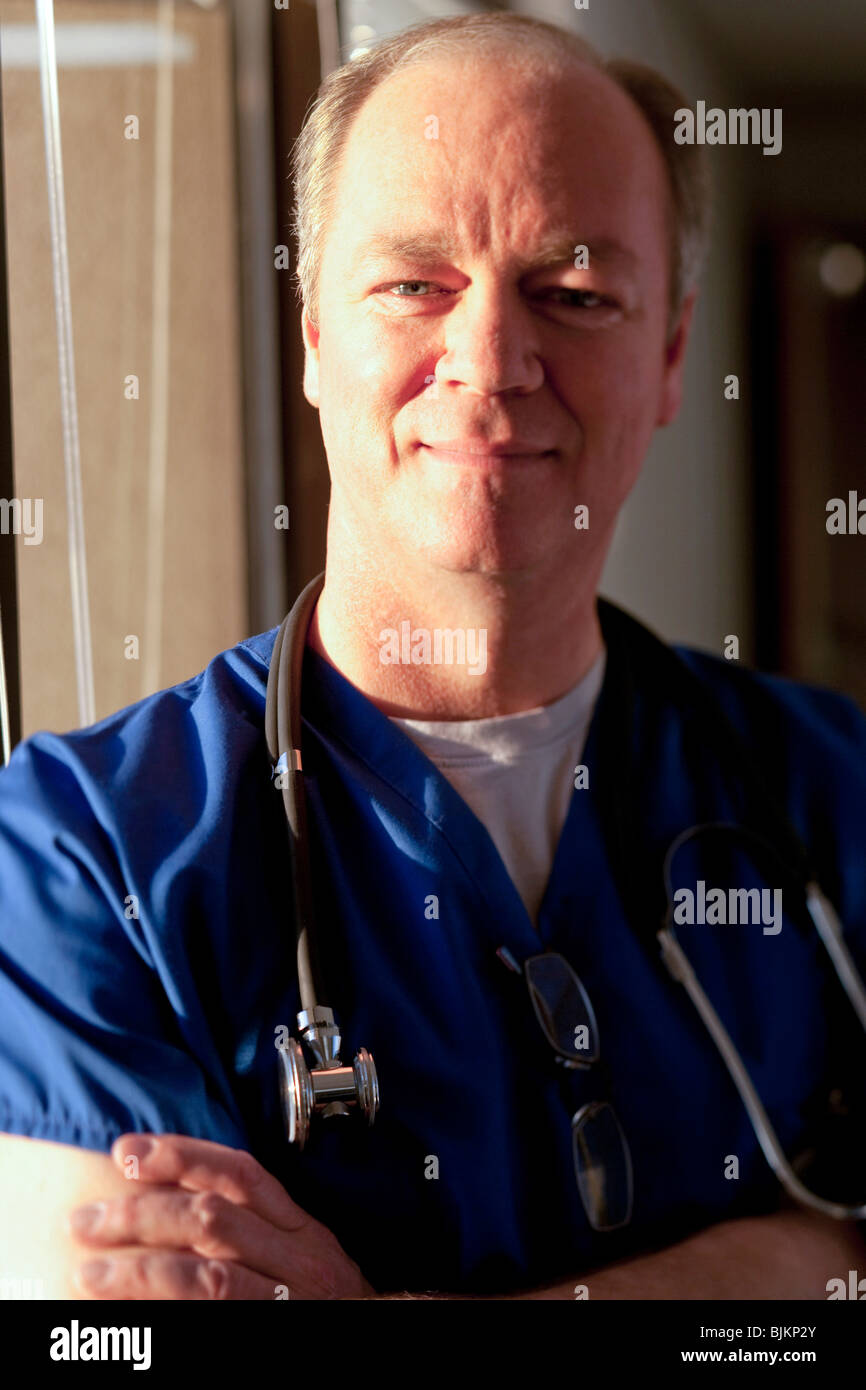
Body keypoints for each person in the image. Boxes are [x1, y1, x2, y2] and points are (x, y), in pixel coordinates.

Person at [0, 12, 864, 1302]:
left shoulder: (835, 791)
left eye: (574, 295)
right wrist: (779, 1266)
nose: (494, 361)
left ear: (672, 354)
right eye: (414, 285)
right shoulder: (84, 851)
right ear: (308, 336)